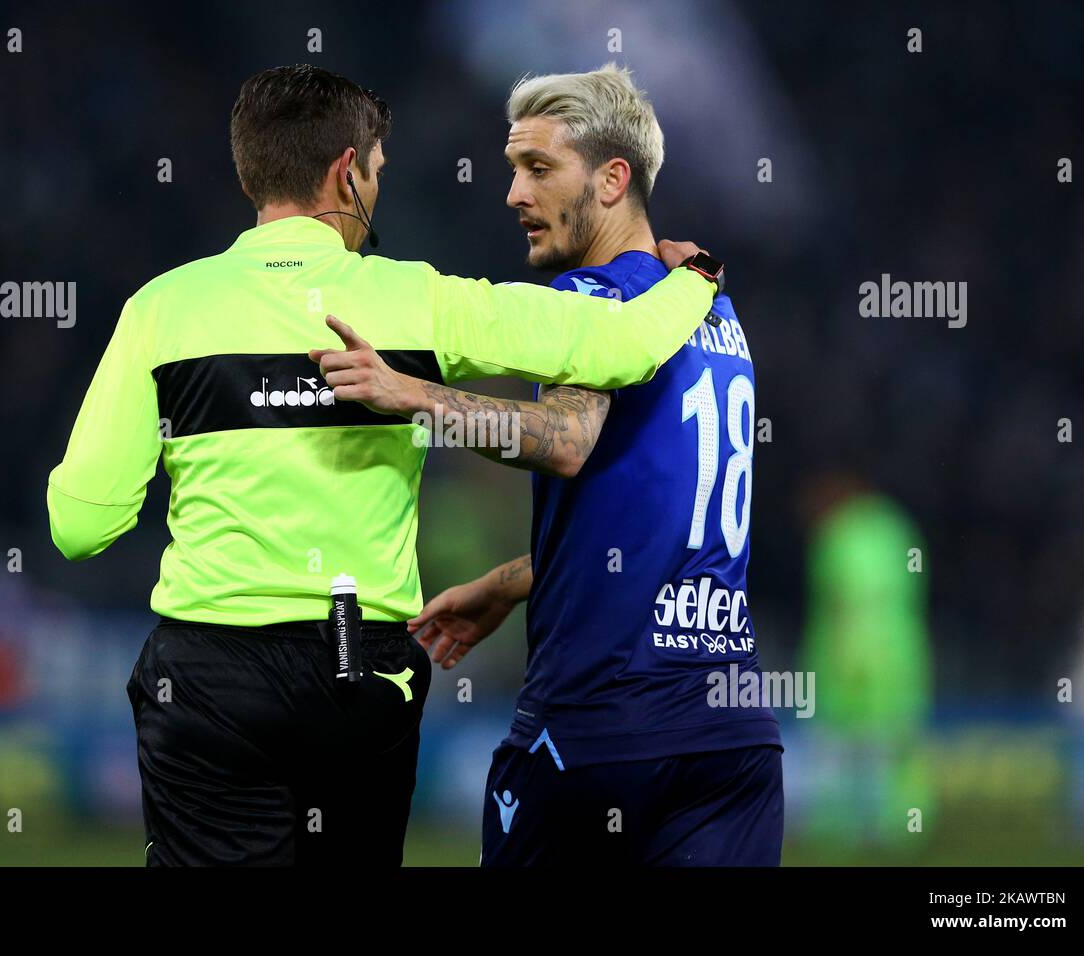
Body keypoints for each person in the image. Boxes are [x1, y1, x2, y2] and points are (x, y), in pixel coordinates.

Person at [46, 63, 722, 866]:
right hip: (357, 667)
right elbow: (623, 347)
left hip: (207, 673)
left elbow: (80, 527)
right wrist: (696, 281)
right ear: (346, 171)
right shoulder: (416, 299)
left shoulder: (162, 309)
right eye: (376, 170)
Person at [324, 65, 781, 865]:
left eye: (538, 168)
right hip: (730, 736)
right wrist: (508, 583)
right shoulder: (710, 308)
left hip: (601, 727)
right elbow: (656, 509)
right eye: (512, 169)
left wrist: (409, 393)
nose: (513, 193)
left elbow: (566, 443)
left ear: (613, 180)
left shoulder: (594, 304)